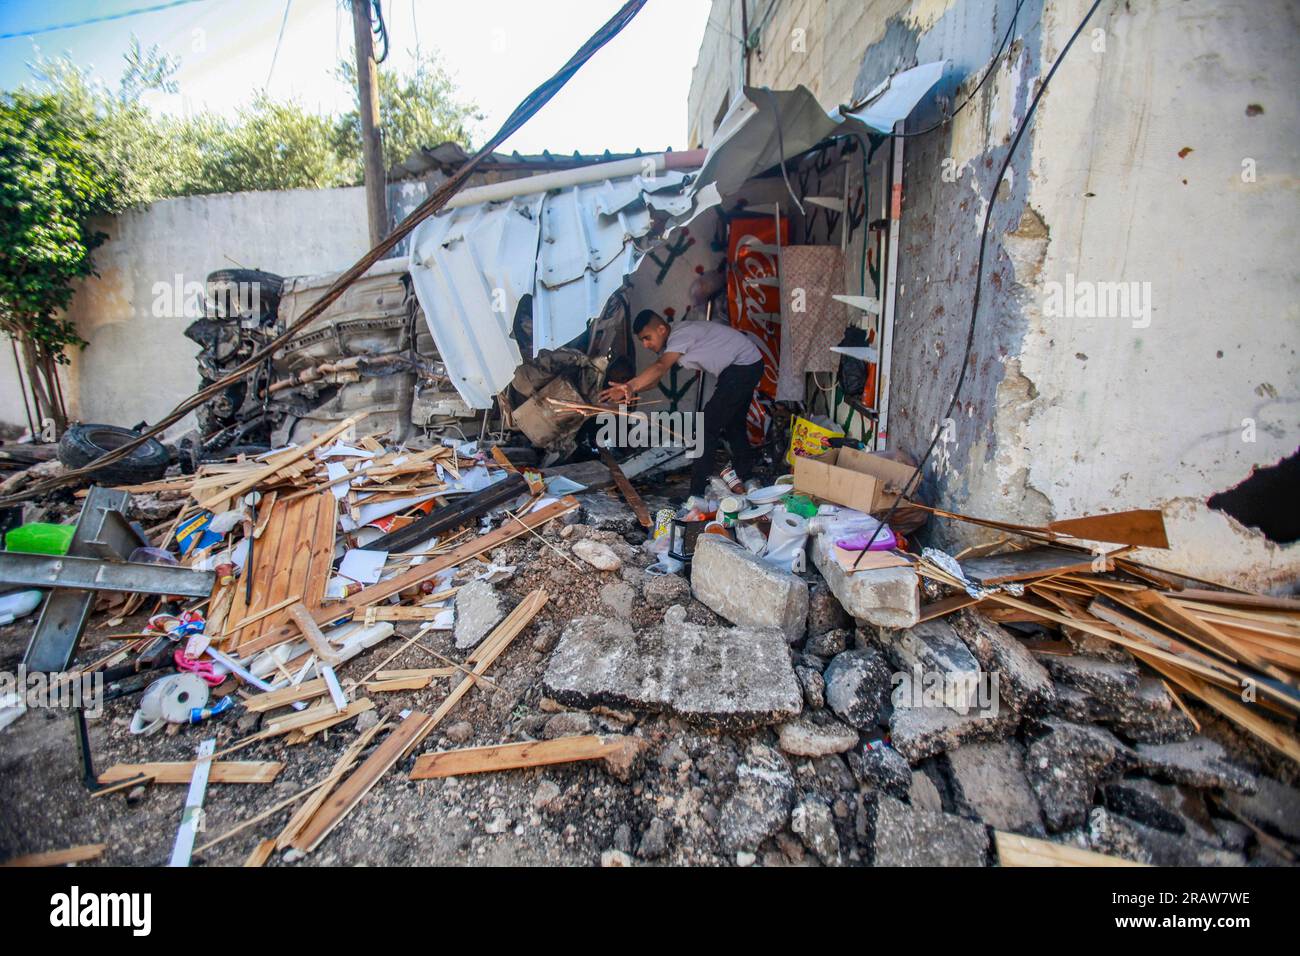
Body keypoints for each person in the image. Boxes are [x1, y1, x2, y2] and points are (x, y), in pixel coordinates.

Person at [599, 310, 763, 498]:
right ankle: (746, 475)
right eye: (642, 341)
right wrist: (628, 391)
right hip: (746, 364)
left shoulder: (680, 335)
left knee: (706, 427)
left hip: (742, 366)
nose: (646, 345)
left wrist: (629, 386)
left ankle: (697, 494)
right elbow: (654, 379)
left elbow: (660, 367)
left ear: (661, 329)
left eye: (647, 338)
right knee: (734, 424)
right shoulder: (673, 341)